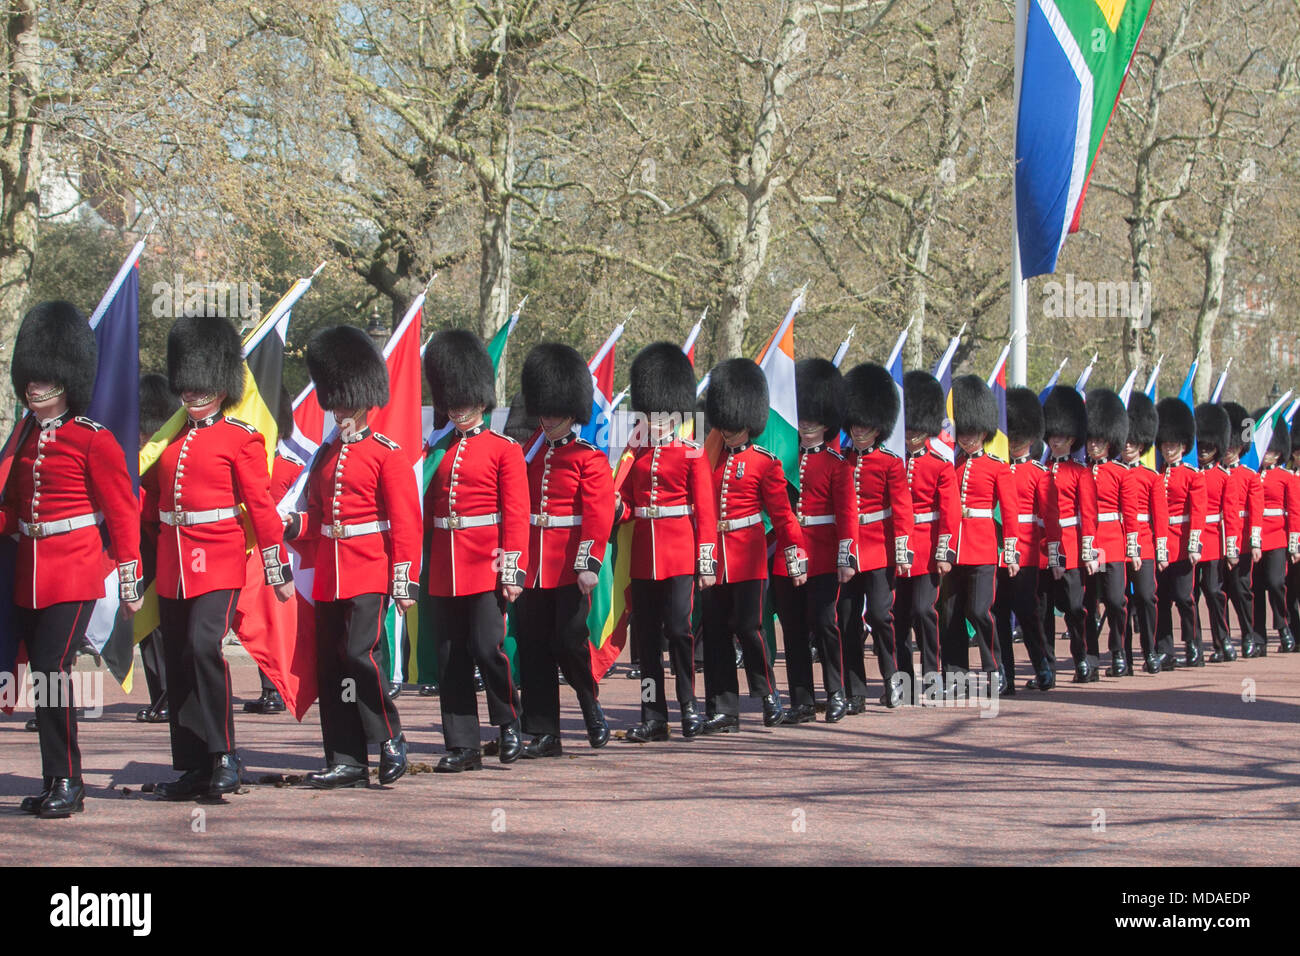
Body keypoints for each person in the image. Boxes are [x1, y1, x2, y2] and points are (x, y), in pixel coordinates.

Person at [144, 312, 294, 801]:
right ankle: (192, 764)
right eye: (185, 385)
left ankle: (224, 752)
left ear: (220, 383)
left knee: (204, 644)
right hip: (173, 564)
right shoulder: (169, 443)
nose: (190, 394)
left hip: (221, 557)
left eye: (199, 384)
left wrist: (276, 567)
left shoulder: (241, 438)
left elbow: (261, 507)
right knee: (180, 657)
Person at [2, 301, 142, 817]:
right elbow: (13, 508)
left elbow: (123, 512)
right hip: (30, 572)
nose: (33, 388)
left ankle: (69, 781)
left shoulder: (92, 438)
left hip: (75, 568)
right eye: (30, 379)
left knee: (52, 668)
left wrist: (130, 581)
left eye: (44, 380)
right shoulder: (23, 436)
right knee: (41, 676)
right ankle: (53, 778)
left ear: (66, 380)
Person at [287, 325, 419, 789]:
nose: (339, 410)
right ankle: (346, 757)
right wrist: (291, 525)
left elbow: (405, 522)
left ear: (364, 401)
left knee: (360, 655)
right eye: (335, 401)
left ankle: (391, 736)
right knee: (334, 665)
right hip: (330, 573)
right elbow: (317, 518)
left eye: (345, 401)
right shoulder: (324, 456)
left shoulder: (387, 456)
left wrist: (403, 581)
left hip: (369, 568)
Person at [423, 329, 528, 772]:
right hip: (446, 568)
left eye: (465, 400)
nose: (458, 408)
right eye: (453, 401)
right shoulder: (439, 451)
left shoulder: (505, 450)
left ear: (481, 401)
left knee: (488, 648)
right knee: (451, 658)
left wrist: (512, 570)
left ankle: (507, 723)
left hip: (486, 565)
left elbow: (516, 514)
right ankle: (462, 744)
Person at [515, 343, 615, 757]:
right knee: (533, 645)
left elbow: (597, 512)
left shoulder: (587, 458)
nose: (550, 417)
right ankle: (543, 732)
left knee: (568, 639)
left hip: (568, 565)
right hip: (533, 564)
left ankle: (589, 702)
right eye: (546, 410)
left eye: (558, 411)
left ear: (572, 412)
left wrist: (588, 562)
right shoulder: (529, 453)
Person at [618, 342, 717, 742]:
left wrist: (706, 562)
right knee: (645, 643)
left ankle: (688, 706)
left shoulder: (692, 455)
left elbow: (705, 513)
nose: (656, 420)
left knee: (678, 631)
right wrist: (615, 509)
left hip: (678, 555)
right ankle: (653, 714)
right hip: (644, 557)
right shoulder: (635, 455)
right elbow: (625, 504)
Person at [700, 358, 805, 733]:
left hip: (748, 557)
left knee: (749, 628)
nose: (727, 430)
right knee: (714, 633)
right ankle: (723, 708)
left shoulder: (765, 463)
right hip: (714, 556)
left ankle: (767, 695)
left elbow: (782, 514)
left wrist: (795, 554)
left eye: (734, 423)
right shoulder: (709, 461)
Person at [769, 359, 857, 723]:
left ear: (826, 423)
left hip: (822, 553)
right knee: (792, 628)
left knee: (824, 624)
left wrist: (845, 556)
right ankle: (802, 700)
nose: (805, 427)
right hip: (788, 553)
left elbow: (847, 513)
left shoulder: (838, 465)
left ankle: (835, 692)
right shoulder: (783, 461)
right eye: (802, 420)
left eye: (813, 421)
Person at [838, 363, 913, 710]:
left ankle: (893, 680)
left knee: (881, 617)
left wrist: (902, 549)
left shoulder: (890, 463)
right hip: (849, 550)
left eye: (865, 425)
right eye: (855, 424)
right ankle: (855, 690)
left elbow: (901, 508)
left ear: (878, 426)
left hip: (880, 547)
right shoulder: (842, 461)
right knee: (849, 620)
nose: (858, 430)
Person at [942, 375, 1018, 694]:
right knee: (949, 612)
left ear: (984, 432)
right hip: (953, 547)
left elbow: (1010, 512)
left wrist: (1011, 552)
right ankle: (955, 673)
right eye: (964, 431)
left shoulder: (998, 467)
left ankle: (994, 668)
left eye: (973, 432)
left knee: (979, 610)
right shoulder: (951, 465)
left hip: (984, 546)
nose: (967, 438)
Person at [894, 371, 959, 700]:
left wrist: (944, 552)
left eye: (917, 428)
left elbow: (949, 512)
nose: (911, 435)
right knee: (897, 616)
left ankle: (933, 675)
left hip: (926, 546)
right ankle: (903, 680)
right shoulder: (895, 462)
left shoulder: (939, 465)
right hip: (895, 548)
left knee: (923, 610)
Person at [245, 386, 304, 715]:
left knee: (274, 622)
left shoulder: (291, 467)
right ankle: (271, 686)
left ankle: (277, 687)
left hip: (281, 553)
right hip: (253, 550)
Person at [993, 387, 1053, 691]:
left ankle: (1042, 663)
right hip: (998, 549)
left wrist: (1050, 555)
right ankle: (1005, 674)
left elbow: (1048, 519)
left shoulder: (1039, 474)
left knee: (1027, 612)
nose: (1013, 442)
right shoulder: (996, 469)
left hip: (1027, 552)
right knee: (999, 611)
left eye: (1018, 437)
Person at [1040, 386, 1099, 683]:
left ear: (1072, 438)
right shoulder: (1041, 470)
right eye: (1052, 435)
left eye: (1061, 436)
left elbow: (1088, 514)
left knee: (1075, 608)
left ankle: (1082, 658)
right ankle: (1047, 665)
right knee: (1045, 611)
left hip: (1073, 546)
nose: (1055, 440)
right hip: (1042, 548)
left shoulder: (1081, 472)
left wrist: (1088, 552)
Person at [135, 373, 178, 723]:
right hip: (142, 545)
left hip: (168, 543)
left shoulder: (168, 454)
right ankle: (159, 692)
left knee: (166, 623)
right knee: (147, 624)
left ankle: (170, 692)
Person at [1083, 389, 1134, 677]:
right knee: (1090, 603)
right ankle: (1091, 656)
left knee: (1116, 600)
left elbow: (1128, 514)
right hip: (1089, 543)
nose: (1093, 446)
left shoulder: (1121, 472)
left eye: (1099, 441)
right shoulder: (1080, 471)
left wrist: (1133, 548)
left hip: (1113, 541)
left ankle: (1118, 651)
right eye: (1091, 440)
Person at [1153, 398, 1205, 671]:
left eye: (1173, 445)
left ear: (1183, 446)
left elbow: (1197, 512)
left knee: (1185, 598)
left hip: (1183, 542)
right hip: (1161, 543)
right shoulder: (1155, 476)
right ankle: (1165, 649)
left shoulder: (1193, 476)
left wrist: (1194, 545)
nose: (1168, 449)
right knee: (1161, 598)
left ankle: (1194, 644)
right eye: (1165, 444)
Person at [1119, 394, 1169, 673]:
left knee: (1147, 596)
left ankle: (1150, 650)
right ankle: (1123, 654)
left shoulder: (1151, 477)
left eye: (1133, 441)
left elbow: (1159, 516)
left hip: (1145, 543)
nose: (1128, 445)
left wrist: (1161, 550)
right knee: (1120, 599)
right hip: (1116, 541)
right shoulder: (1111, 473)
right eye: (1125, 439)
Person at [1250, 409, 1296, 655]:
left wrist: (1294, 542)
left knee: (1277, 583)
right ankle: (1259, 638)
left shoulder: (1286, 478)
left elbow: (1294, 512)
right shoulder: (1251, 475)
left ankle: (1283, 626)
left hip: (1277, 535)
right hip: (1254, 536)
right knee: (1255, 587)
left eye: (1271, 449)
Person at [1193, 403, 1236, 666]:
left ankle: (1224, 639)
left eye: (1209, 446)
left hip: (1212, 539)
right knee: (1189, 595)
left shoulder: (1223, 477)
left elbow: (1230, 515)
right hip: (1189, 538)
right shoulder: (1189, 473)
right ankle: (1194, 643)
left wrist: (1230, 548)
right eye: (1202, 445)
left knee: (1212, 590)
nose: (1205, 450)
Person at [1221, 402, 1262, 659]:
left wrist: (1254, 542)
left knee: (1241, 590)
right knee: (1219, 592)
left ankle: (1249, 634)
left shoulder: (1249, 476)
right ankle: (1222, 640)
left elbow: (1255, 512)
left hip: (1242, 544)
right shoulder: (1212, 475)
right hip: (1217, 541)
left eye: (1232, 445)